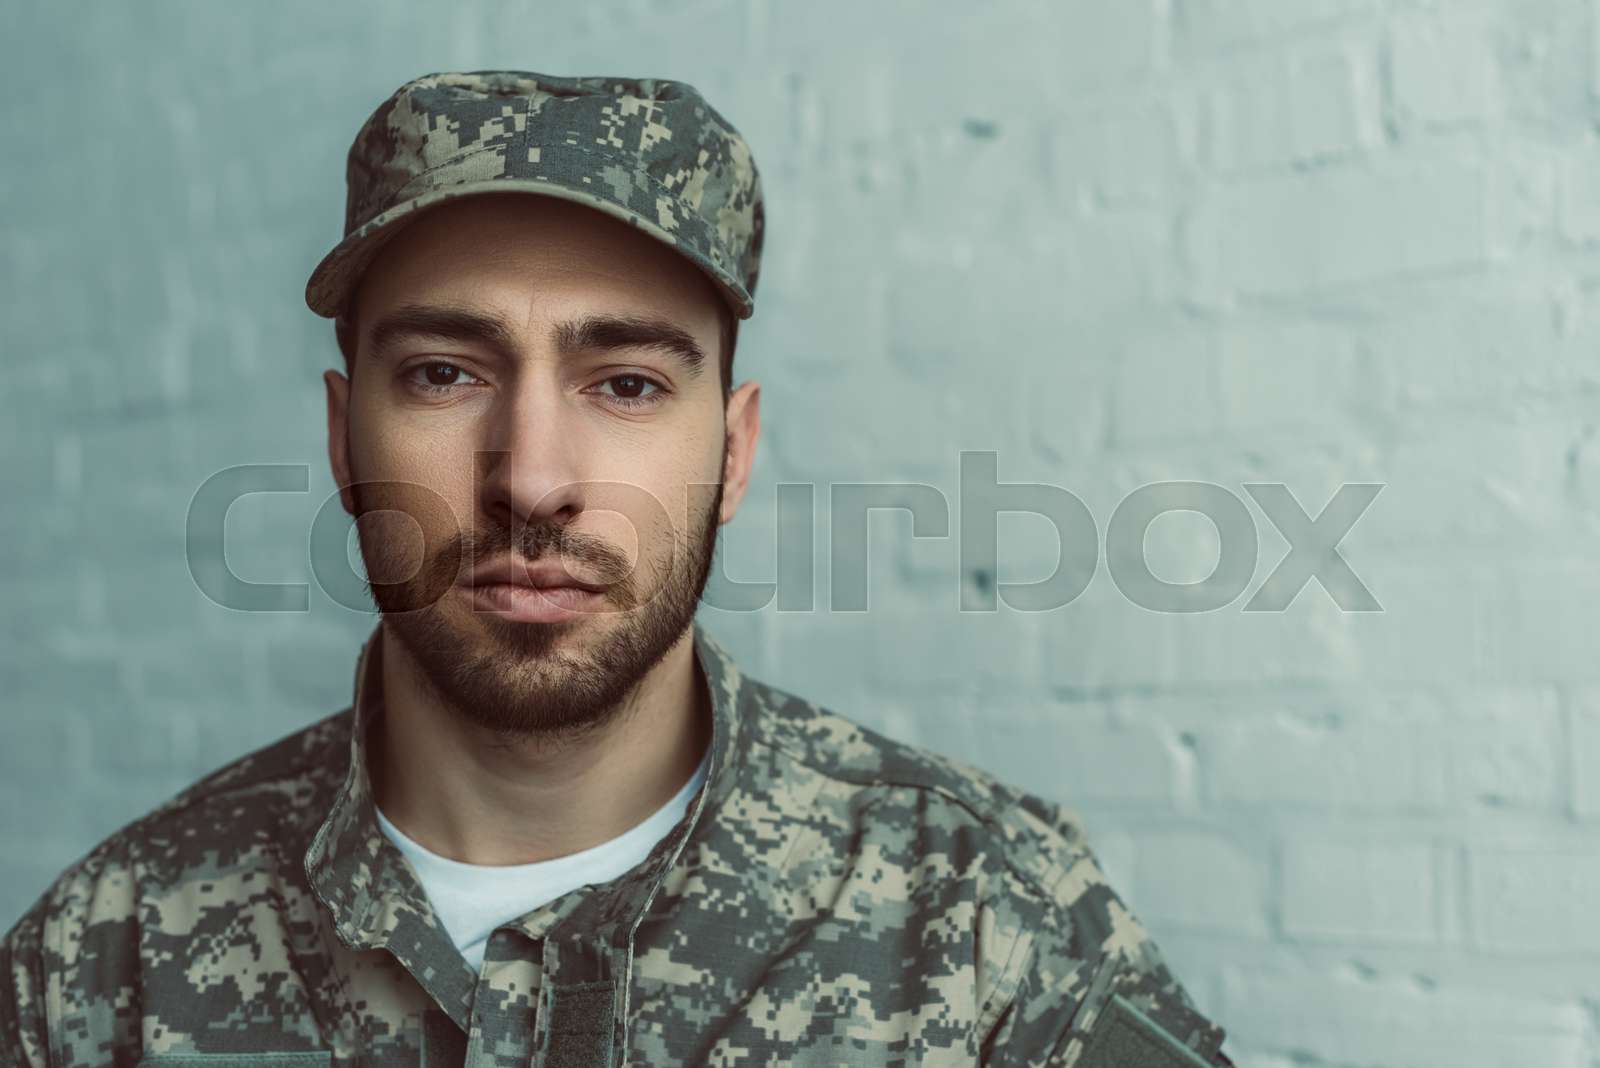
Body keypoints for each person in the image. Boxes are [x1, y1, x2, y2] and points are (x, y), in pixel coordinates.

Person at [0, 70, 1233, 1067]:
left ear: (733, 453)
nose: (531, 477)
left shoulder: (975, 918)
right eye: (445, 372)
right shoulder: (104, 961)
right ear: (340, 435)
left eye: (627, 384)